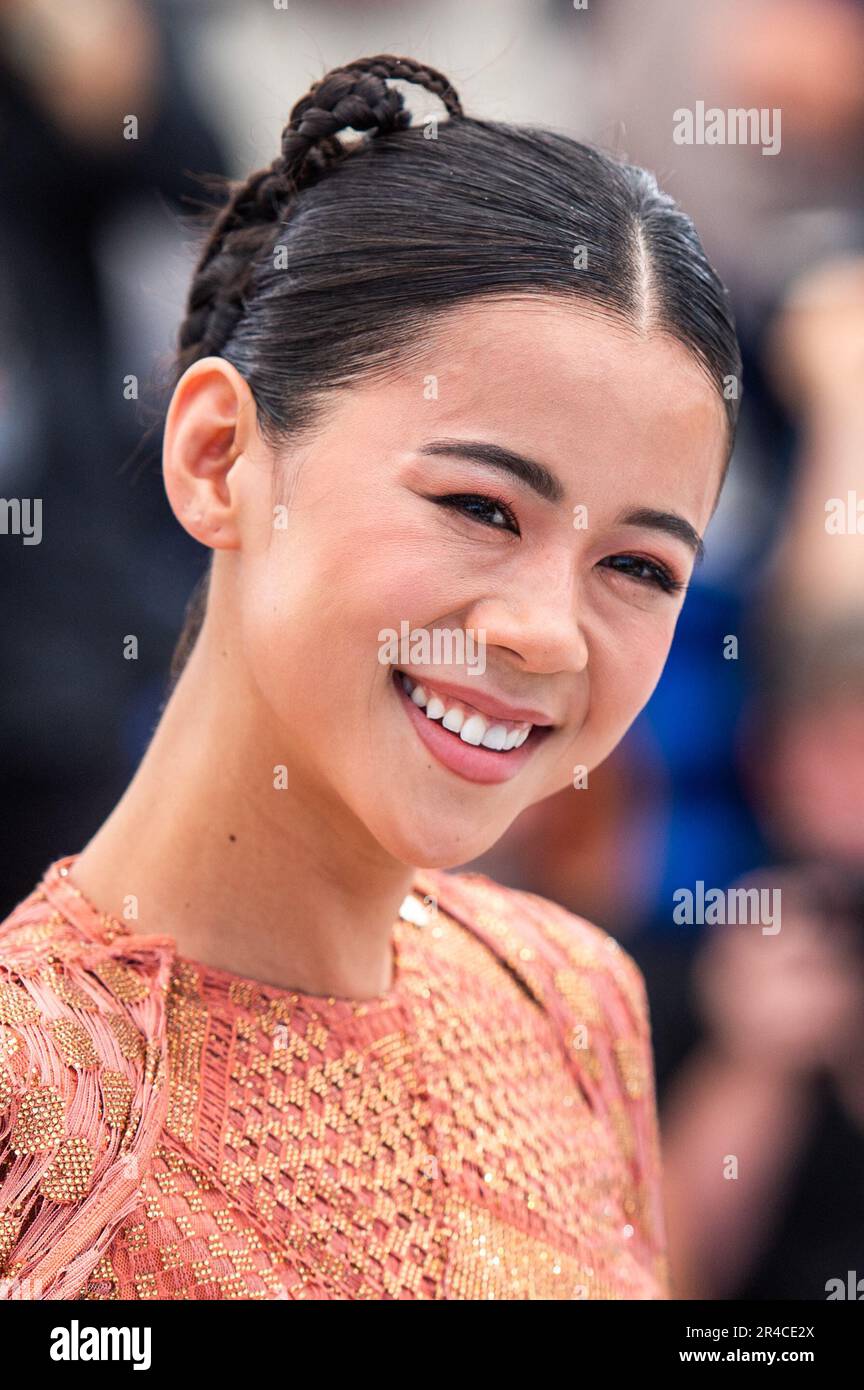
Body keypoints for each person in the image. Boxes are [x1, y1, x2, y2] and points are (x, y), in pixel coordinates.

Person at [0, 53, 740, 1301]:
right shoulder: (33, 1108)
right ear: (220, 453)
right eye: (480, 506)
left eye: (639, 565)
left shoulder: (571, 1001)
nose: (547, 633)